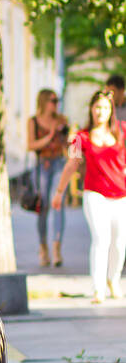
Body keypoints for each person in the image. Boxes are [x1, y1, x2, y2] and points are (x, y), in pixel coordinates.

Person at [52, 89, 126, 303]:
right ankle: (98, 288)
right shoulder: (81, 137)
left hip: (120, 194)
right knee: (101, 238)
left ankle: (112, 279)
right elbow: (71, 164)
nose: (100, 111)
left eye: (104, 107)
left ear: (111, 110)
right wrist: (59, 192)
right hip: (95, 194)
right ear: (91, 110)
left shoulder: (122, 131)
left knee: (120, 243)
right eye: (97, 107)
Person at [27, 88, 69, 267]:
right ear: (44, 101)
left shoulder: (62, 120)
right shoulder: (34, 121)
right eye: (53, 100)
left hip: (59, 163)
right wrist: (50, 135)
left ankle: (57, 249)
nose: (56, 103)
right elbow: (30, 145)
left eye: (57, 100)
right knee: (43, 206)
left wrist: (66, 135)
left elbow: (67, 144)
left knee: (57, 203)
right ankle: (43, 248)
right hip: (42, 165)